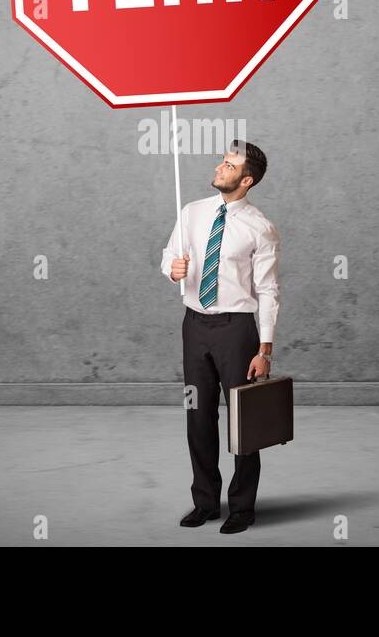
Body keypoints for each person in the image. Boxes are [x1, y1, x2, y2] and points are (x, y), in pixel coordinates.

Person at [160, 139, 280, 534]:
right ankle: (206, 502)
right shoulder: (192, 212)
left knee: (243, 422)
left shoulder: (260, 227)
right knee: (198, 416)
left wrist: (265, 348)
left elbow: (268, 291)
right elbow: (168, 255)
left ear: (246, 180)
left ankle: (242, 507)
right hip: (195, 325)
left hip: (237, 330)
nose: (219, 167)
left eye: (229, 165)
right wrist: (172, 269)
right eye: (222, 161)